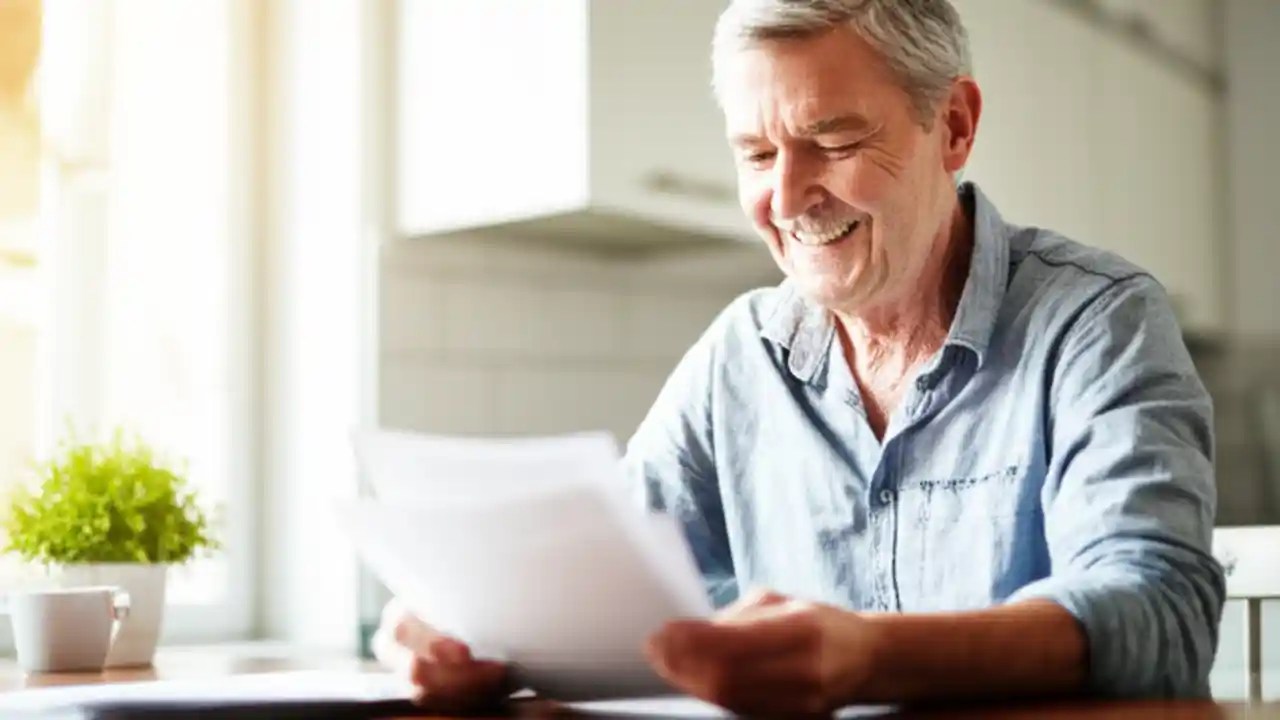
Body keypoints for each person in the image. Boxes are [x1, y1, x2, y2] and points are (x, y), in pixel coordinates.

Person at [373, 0, 1225, 714]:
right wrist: (461, 629)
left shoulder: (1096, 320)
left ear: (954, 126)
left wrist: (869, 656)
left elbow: (1159, 610)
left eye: (836, 141)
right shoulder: (738, 357)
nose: (785, 198)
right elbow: (599, 589)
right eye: (755, 153)